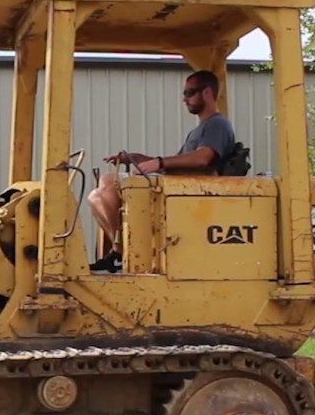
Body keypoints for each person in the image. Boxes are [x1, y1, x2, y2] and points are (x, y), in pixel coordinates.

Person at [88, 70, 237, 272]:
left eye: (190, 93)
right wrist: (136, 158)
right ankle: (120, 248)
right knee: (96, 196)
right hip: (175, 188)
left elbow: (203, 158)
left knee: (108, 181)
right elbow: (177, 164)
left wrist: (159, 162)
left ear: (208, 93)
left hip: (188, 195)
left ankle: (122, 248)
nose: (185, 99)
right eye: (185, 94)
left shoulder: (217, 125)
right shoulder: (200, 129)